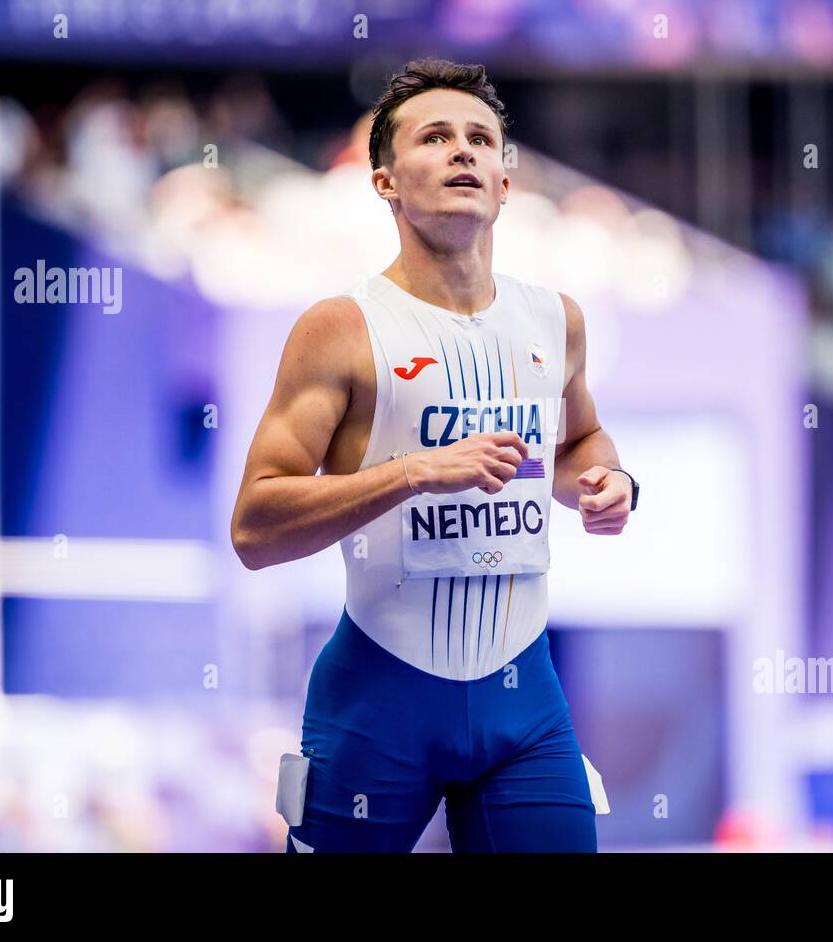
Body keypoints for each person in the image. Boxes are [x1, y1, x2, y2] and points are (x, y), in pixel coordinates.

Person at [231, 58, 638, 852]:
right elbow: (254, 529)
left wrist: (608, 479)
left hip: (524, 706)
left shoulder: (557, 320)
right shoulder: (341, 328)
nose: (463, 152)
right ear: (384, 181)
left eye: (481, 139)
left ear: (505, 183)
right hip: (378, 702)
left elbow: (580, 438)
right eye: (436, 137)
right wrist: (415, 470)